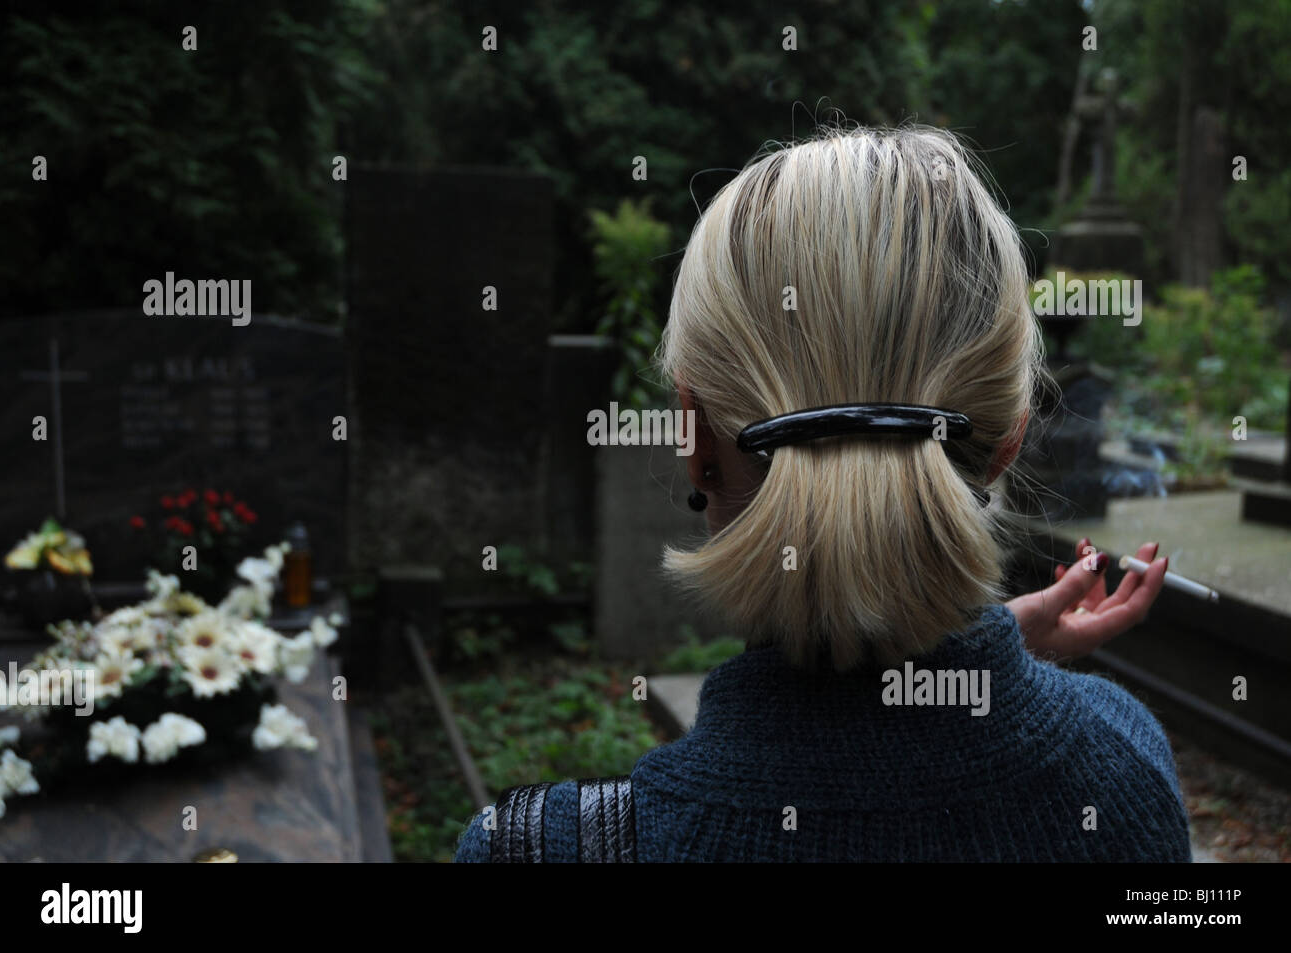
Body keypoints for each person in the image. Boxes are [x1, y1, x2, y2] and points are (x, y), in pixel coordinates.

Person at [455, 124, 1189, 862]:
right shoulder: (1126, 777)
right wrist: (966, 672)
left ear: (695, 440)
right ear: (1007, 443)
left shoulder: (532, 850)